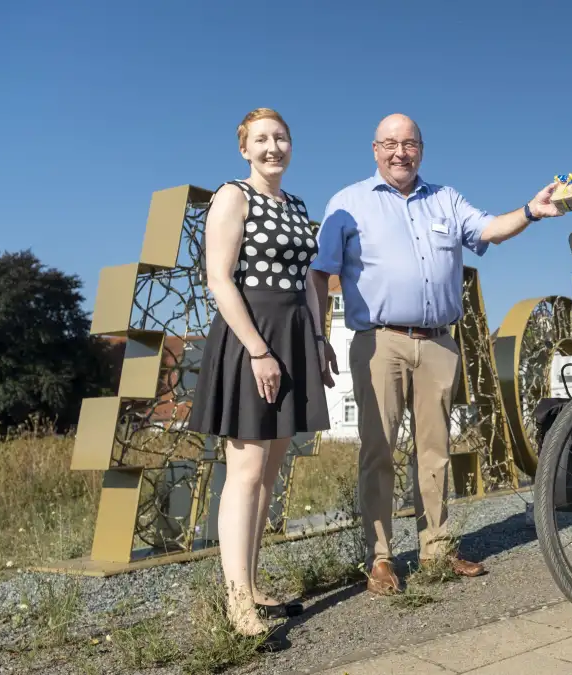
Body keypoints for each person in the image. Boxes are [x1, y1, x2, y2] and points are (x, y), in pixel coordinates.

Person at [307, 113, 572, 594]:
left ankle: (437, 548)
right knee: (378, 452)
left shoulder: (446, 200)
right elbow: (319, 274)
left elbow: (490, 230)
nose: (399, 152)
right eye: (389, 143)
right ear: (374, 150)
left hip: (438, 344)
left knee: (435, 452)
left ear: (421, 150)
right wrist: (319, 337)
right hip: (379, 342)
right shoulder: (348, 203)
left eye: (408, 143)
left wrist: (531, 211)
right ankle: (380, 558)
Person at [188, 107, 331, 637]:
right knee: (244, 473)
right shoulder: (233, 196)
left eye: (282, 138)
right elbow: (220, 279)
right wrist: (258, 351)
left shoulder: (295, 204)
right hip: (252, 337)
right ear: (245, 149)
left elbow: (305, 283)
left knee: (268, 475)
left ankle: (249, 585)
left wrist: (318, 341)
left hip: (293, 334)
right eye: (262, 140)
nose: (273, 148)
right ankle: (235, 603)